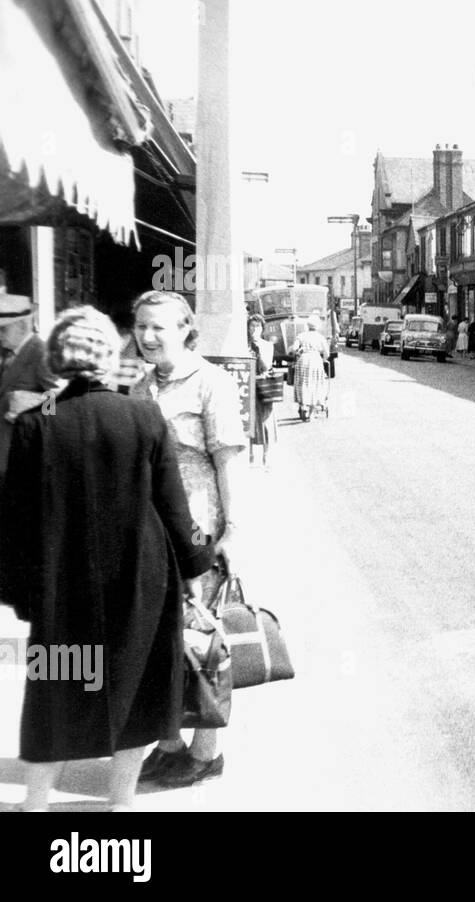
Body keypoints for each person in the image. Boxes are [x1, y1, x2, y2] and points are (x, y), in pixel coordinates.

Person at [0, 307, 213, 811]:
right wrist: (196, 567)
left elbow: (14, 522)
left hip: (61, 588)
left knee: (54, 694)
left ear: (57, 358)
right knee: (136, 696)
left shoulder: (38, 421)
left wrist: (20, 595)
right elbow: (174, 509)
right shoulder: (143, 417)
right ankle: (120, 805)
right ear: (109, 357)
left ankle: (35, 806)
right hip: (141, 584)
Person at [130, 290, 247, 788]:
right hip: (152, 531)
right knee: (161, 640)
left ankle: (207, 751)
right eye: (140, 327)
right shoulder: (139, 387)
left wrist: (234, 530)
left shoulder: (211, 383)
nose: (148, 336)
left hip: (199, 528)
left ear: (185, 329)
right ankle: (170, 742)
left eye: (159, 327)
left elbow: (227, 459)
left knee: (202, 639)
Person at [0, 288, 62, 488]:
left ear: (22, 326)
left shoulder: (41, 352)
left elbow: (62, 401)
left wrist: (32, 404)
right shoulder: (7, 352)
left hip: (23, 456)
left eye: (3, 329)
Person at [247, 314, 276, 467]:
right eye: (252, 326)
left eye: (257, 327)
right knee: (249, 421)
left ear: (262, 329)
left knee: (265, 421)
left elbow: (266, 365)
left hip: (263, 386)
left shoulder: (267, 345)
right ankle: (250, 454)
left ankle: (266, 454)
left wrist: (258, 349)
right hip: (248, 385)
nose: (254, 330)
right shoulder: (243, 344)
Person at [291, 314, 330, 421]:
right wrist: (323, 359)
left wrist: (298, 352)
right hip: (316, 360)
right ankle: (312, 414)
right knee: (315, 385)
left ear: (307, 325)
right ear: (317, 326)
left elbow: (294, 349)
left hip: (303, 360)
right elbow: (327, 353)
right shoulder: (320, 337)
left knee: (303, 384)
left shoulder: (301, 335)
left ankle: (303, 406)